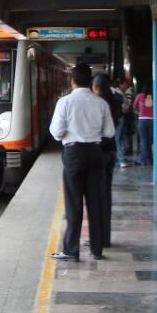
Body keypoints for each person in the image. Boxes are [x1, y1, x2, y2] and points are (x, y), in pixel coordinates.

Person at [49, 63, 114, 262]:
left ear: (72, 81)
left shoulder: (64, 102)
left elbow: (56, 132)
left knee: (73, 203)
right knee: (96, 202)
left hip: (73, 153)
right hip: (95, 152)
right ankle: (97, 249)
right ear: (90, 81)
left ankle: (71, 250)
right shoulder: (101, 103)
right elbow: (109, 132)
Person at [92, 73, 121, 248]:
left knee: (97, 196)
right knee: (106, 195)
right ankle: (105, 238)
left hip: (100, 152)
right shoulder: (114, 101)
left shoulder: (98, 104)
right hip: (111, 151)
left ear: (96, 87)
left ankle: (99, 239)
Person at [133, 83, 154, 166]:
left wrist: (139, 112)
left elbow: (134, 106)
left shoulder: (139, 96)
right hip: (152, 120)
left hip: (142, 120)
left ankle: (142, 160)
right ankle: (150, 159)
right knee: (149, 141)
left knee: (143, 141)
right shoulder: (153, 97)